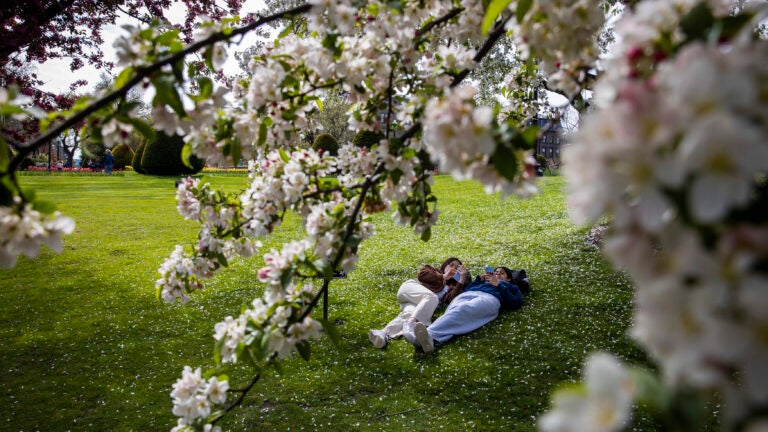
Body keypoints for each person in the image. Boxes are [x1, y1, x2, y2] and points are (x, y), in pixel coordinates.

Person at [403, 266, 525, 353]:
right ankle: (432, 340)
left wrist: (499, 284)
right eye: (496, 272)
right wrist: (478, 281)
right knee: (452, 313)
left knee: (462, 310)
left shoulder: (510, 286)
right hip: (467, 295)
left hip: (489, 298)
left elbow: (515, 302)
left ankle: (427, 335)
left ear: (508, 279)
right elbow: (467, 290)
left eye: (502, 273)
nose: (497, 274)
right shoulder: (483, 282)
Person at [368, 258, 469, 349]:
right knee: (432, 297)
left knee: (410, 314)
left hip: (416, 303)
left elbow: (451, 299)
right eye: (451, 265)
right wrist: (443, 276)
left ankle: (383, 334)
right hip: (409, 289)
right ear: (445, 265)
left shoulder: (450, 288)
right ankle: (410, 325)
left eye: (457, 268)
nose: (452, 268)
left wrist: (461, 280)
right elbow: (422, 275)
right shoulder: (434, 270)